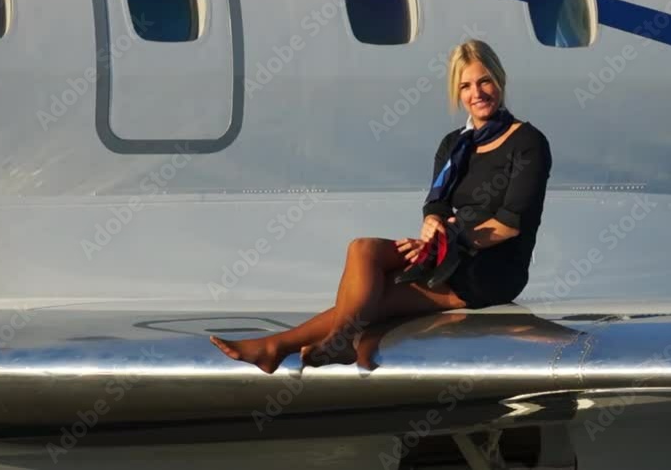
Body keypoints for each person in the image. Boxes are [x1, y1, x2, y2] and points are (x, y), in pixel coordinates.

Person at [210, 39, 552, 373]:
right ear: (457, 93)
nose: (476, 93)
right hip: (446, 250)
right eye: (465, 86)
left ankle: (285, 345)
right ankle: (324, 343)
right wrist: (432, 228)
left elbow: (510, 223)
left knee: (382, 297)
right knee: (363, 249)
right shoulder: (455, 144)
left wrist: (447, 240)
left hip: (490, 268)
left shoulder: (527, 142)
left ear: (500, 80)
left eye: (484, 81)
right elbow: (436, 203)